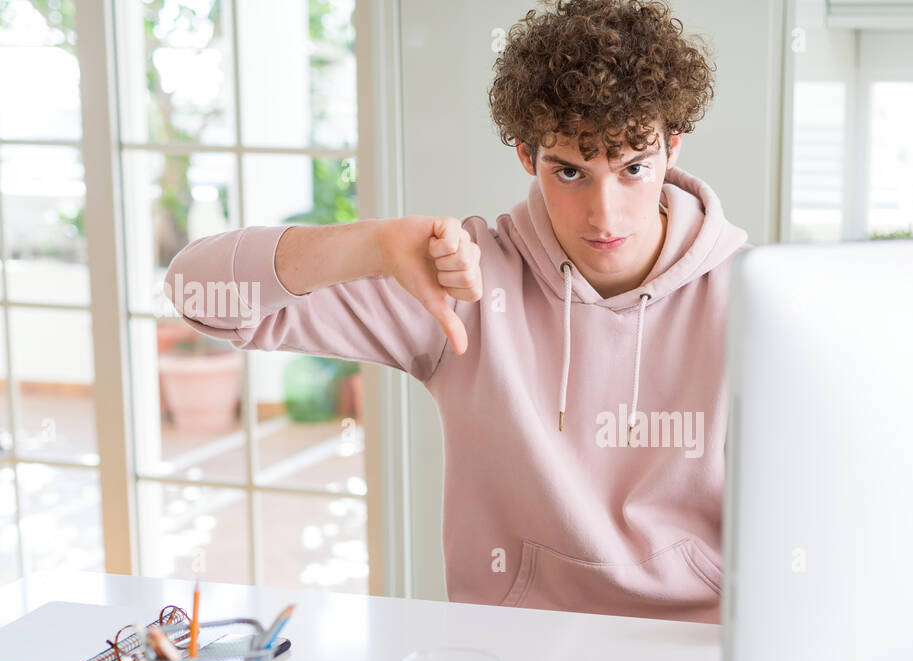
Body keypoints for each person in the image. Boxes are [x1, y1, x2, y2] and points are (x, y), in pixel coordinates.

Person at [164, 0, 749, 624]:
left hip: (703, 647)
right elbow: (197, 295)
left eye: (633, 169)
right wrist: (374, 245)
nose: (606, 215)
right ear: (527, 156)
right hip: (516, 641)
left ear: (673, 149)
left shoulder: (749, 299)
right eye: (572, 173)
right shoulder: (459, 279)